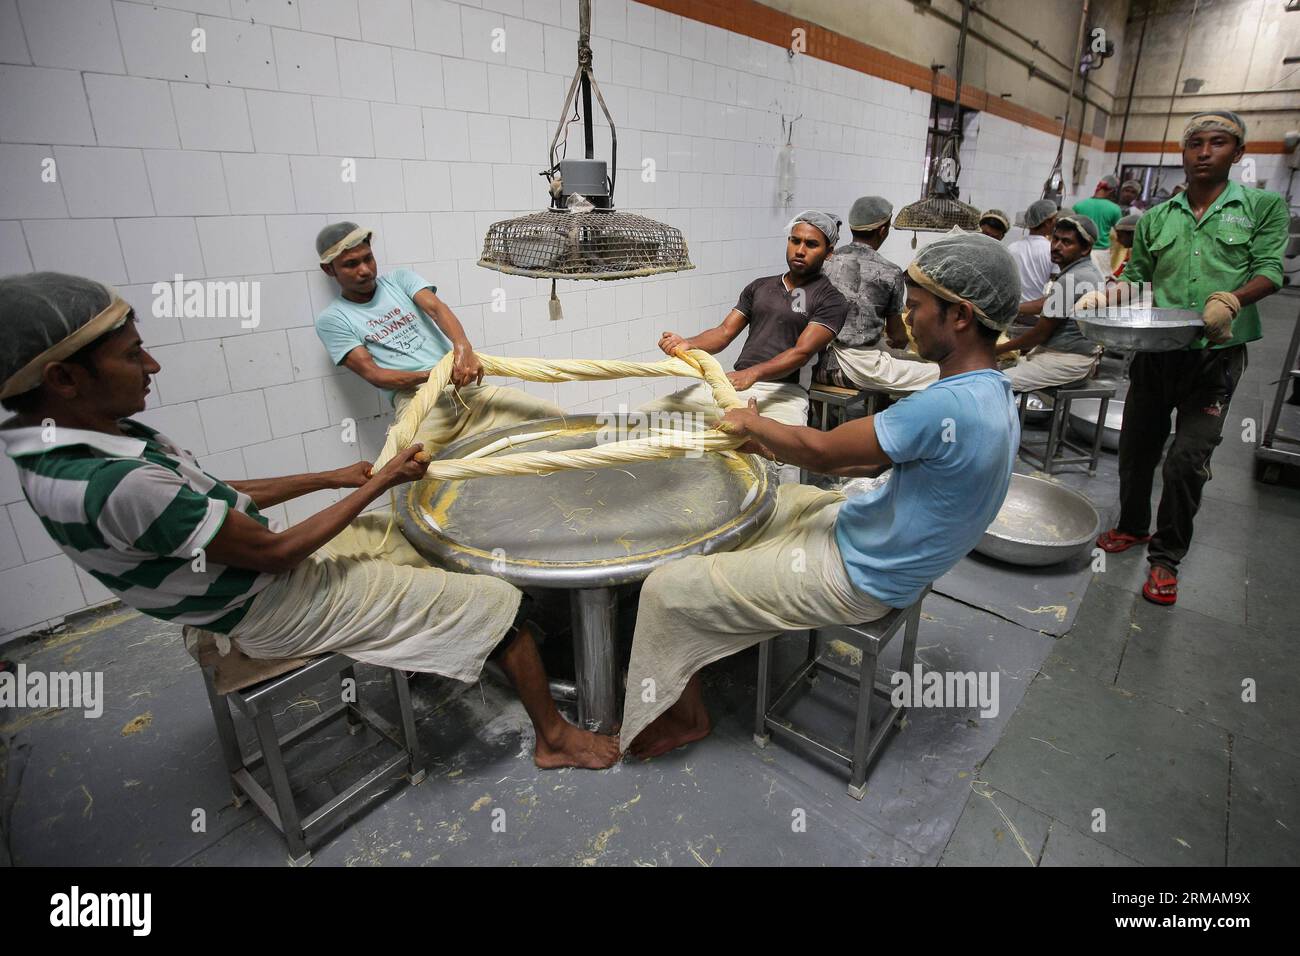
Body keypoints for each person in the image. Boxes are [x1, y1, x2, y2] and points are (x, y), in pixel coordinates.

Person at [0, 272, 618, 769]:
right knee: (499, 603)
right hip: (268, 603)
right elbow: (275, 555)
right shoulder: (116, 483)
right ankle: (554, 735)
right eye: (134, 355)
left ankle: (427, 639)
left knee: (404, 532)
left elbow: (208, 495)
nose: (153, 366)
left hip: (245, 578)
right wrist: (381, 479)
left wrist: (330, 478)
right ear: (64, 378)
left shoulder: (68, 445)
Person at [619, 232, 1020, 758]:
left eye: (918, 308)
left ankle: (684, 716)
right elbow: (871, 457)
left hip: (864, 573)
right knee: (763, 505)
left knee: (665, 589)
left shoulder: (946, 406)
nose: (907, 320)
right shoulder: (995, 390)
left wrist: (753, 425)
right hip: (883, 538)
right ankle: (722, 625)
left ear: (961, 316)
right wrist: (770, 445)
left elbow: (829, 452)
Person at [1076, 111, 1289, 606]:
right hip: (1158, 353)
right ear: (1183, 152)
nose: (1204, 151)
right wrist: (1106, 297)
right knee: (1136, 449)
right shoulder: (1156, 218)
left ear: (1237, 154)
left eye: (1218, 143)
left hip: (1215, 358)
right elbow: (1139, 280)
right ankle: (1132, 525)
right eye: (1196, 143)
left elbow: (1271, 271)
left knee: (1186, 462)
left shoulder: (1261, 207)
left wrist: (1233, 298)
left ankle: (1166, 556)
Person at [313, 222, 560, 456]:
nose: (364, 270)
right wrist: (436, 376)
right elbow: (375, 375)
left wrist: (463, 349)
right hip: (419, 405)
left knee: (555, 418)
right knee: (410, 466)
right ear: (329, 269)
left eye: (368, 258)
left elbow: (437, 310)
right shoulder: (334, 319)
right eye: (351, 264)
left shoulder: (400, 280)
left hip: (466, 391)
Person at [643, 210, 848, 429]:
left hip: (785, 393)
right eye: (794, 241)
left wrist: (752, 374)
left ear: (829, 252)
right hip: (734, 385)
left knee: (778, 458)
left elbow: (801, 353)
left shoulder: (832, 300)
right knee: (646, 418)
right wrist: (688, 343)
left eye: (811, 244)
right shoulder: (760, 286)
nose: (800, 250)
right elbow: (723, 332)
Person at [814, 196, 938, 394]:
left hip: (815, 361)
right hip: (854, 367)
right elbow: (896, 335)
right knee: (938, 373)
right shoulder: (890, 272)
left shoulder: (826, 261)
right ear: (883, 230)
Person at [996, 214, 1104, 392]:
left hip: (1065, 360)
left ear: (1085, 249)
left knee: (994, 383)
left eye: (1066, 242)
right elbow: (1048, 303)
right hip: (1073, 355)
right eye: (1055, 239)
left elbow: (1040, 334)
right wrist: (1010, 309)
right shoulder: (1088, 270)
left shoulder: (1072, 278)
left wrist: (998, 349)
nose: (1056, 247)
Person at [1007, 199, 1058, 329]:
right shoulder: (1052, 250)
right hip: (1034, 314)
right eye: (1054, 220)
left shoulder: (1012, 247)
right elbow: (1055, 282)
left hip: (1010, 312)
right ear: (1048, 222)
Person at [1073, 175, 1124, 275]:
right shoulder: (1114, 209)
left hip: (1080, 252)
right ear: (1112, 191)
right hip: (1101, 254)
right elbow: (1121, 234)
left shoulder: (1078, 206)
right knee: (1101, 285)